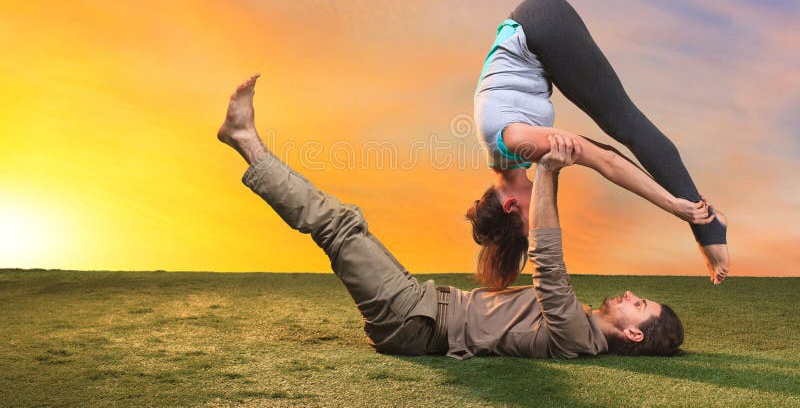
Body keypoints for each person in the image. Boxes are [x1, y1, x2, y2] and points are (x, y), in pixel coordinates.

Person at [217, 74, 687, 359]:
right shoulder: (578, 323)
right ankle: (244, 142)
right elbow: (538, 256)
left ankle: (245, 142)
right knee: (347, 222)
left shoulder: (580, 339)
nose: (630, 295)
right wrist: (545, 172)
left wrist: (549, 170)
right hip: (420, 306)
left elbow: (549, 264)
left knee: (338, 225)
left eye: (639, 305)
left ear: (632, 333)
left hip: (415, 321)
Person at [471, 0, 729, 287]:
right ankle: (706, 223)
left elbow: (606, 159)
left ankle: (708, 229)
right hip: (538, 31)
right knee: (621, 125)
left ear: (511, 206)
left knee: (625, 124)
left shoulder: (515, 142)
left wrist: (674, 206)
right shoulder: (509, 156)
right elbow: (600, 154)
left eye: (534, 220)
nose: (542, 215)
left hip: (541, 26)